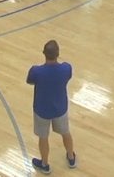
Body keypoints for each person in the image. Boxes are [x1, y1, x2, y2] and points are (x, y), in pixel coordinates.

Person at [27, 40, 77, 174]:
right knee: (66, 132)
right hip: (60, 108)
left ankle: (44, 164)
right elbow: (68, 76)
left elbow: (30, 81)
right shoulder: (66, 68)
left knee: (43, 138)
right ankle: (71, 157)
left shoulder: (36, 71)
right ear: (58, 54)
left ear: (44, 53)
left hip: (42, 110)